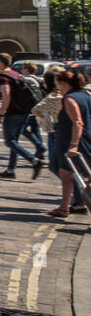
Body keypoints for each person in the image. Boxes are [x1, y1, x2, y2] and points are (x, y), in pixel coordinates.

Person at [46, 69, 91, 218]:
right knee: (66, 175)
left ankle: (81, 201)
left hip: (74, 140)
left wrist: (74, 144)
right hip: (81, 138)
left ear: (63, 83)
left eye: (56, 83)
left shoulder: (69, 99)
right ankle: (64, 208)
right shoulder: (85, 95)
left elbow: (77, 122)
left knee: (78, 174)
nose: (56, 87)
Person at [0, 52, 44, 180]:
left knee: (10, 141)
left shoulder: (3, 77)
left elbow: (6, 95)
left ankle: (34, 161)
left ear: (0, 62)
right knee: (14, 142)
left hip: (13, 112)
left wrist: (1, 113)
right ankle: (11, 170)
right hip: (24, 111)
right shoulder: (15, 74)